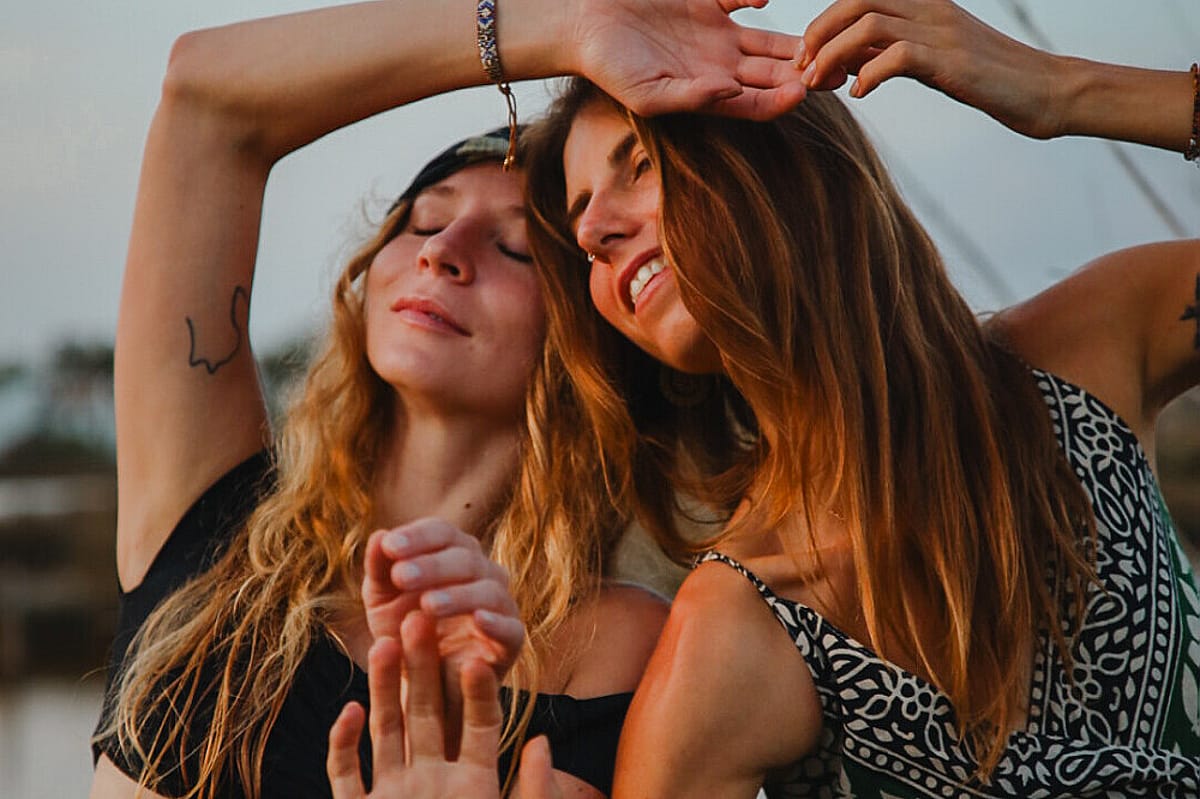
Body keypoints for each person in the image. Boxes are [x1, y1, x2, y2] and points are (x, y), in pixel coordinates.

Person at [338, 1, 1200, 797]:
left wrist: (1060, 89)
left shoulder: (1093, 339)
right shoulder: (731, 642)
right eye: (582, 227)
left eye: (638, 164)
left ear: (778, 158)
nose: (595, 230)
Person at [82, 0, 824, 793]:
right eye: (421, 221)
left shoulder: (604, 650)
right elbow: (203, 95)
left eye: (513, 247)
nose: (442, 252)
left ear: (585, 338)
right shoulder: (213, 525)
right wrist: (570, 28)